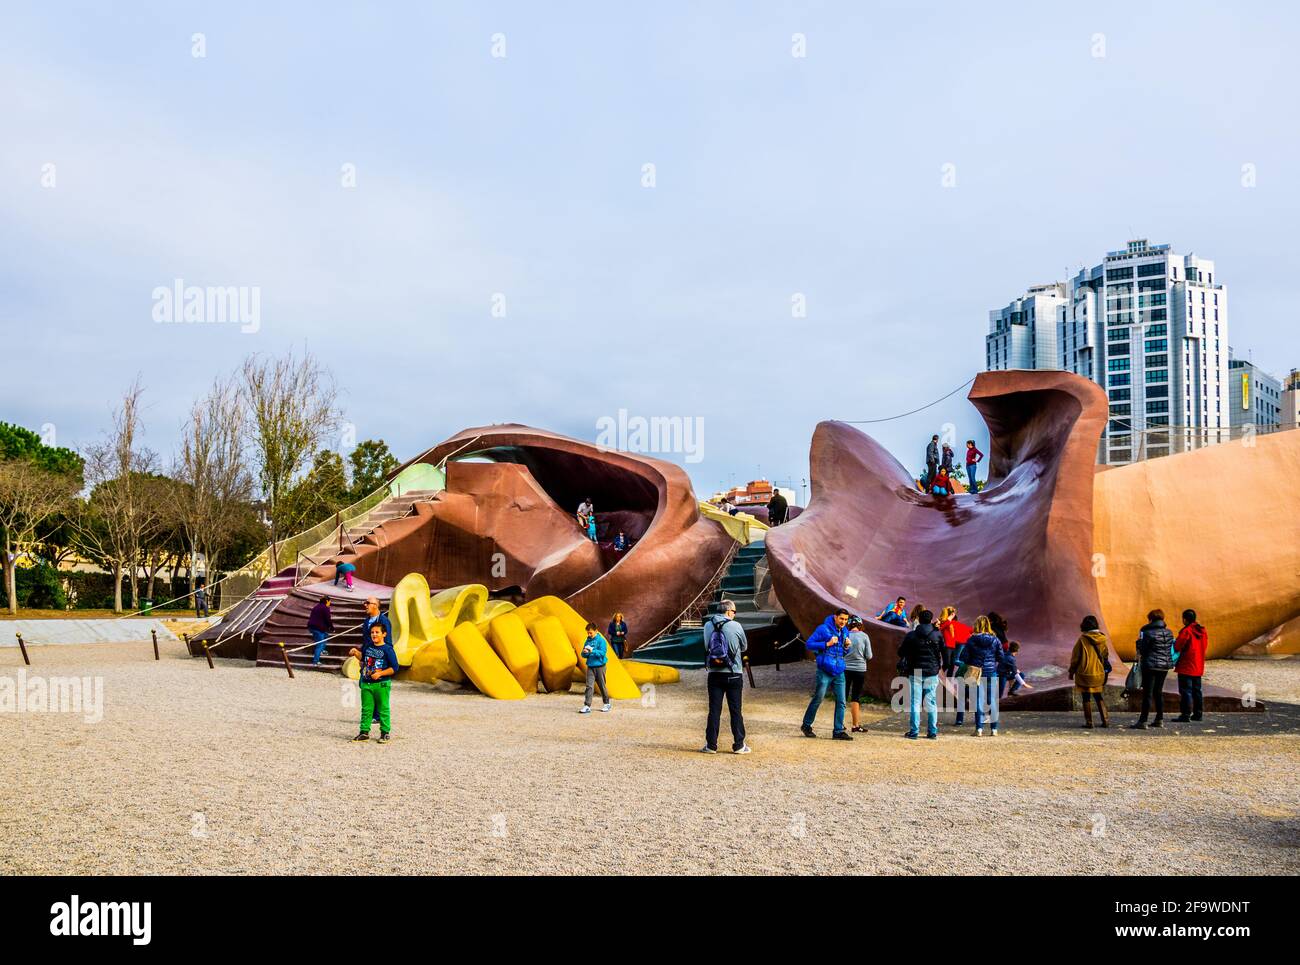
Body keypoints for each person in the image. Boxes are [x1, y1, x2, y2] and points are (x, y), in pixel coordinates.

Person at [701, 599, 749, 754]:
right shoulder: (736, 626)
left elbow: (707, 645)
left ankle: (711, 746)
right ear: (729, 612)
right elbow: (744, 647)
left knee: (714, 710)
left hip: (714, 673)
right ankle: (739, 745)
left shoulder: (708, 625)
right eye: (734, 612)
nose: (734, 614)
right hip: (734, 672)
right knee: (735, 710)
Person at [801, 609, 853, 741]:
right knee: (818, 698)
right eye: (841, 619)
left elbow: (843, 652)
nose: (843, 622)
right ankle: (806, 725)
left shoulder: (845, 631)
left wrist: (847, 646)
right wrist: (827, 644)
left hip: (839, 670)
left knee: (842, 701)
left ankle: (838, 731)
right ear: (835, 617)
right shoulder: (823, 629)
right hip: (824, 669)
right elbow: (809, 644)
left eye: (846, 620)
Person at [898, 608, 945, 739]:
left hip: (915, 670)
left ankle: (914, 732)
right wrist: (942, 666)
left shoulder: (911, 635)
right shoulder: (937, 634)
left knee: (915, 702)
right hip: (932, 671)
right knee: (931, 702)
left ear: (918, 619)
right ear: (931, 620)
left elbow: (901, 652)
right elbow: (944, 651)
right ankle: (932, 732)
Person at [348, 622, 398, 743]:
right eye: (372, 632)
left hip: (381, 684)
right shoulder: (368, 646)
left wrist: (380, 673)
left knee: (383, 709)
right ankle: (364, 732)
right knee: (366, 708)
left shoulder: (388, 649)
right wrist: (355, 653)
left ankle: (385, 732)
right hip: (367, 682)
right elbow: (363, 657)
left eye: (377, 632)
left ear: (384, 634)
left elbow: (394, 667)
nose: (374, 634)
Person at [1131, 608, 1176, 729]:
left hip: (1150, 665)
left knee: (1148, 693)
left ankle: (1143, 721)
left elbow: (1144, 650)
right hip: (1164, 666)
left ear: (1150, 619)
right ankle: (1159, 719)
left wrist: (1139, 643)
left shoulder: (1148, 633)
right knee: (1158, 692)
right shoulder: (1169, 633)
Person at [962, 615, 1004, 736]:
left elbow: (964, 657)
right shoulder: (995, 639)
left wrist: (972, 661)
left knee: (978, 700)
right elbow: (1001, 657)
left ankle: (979, 729)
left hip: (976, 672)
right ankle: (994, 729)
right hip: (991, 672)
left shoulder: (972, 639)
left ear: (976, 625)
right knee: (992, 701)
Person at [1068, 616, 1111, 728]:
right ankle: (1105, 721)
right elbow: (1105, 655)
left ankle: (1089, 722)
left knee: (1086, 697)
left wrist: (1071, 672)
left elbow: (1075, 659)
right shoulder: (1103, 639)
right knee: (1098, 696)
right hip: (1099, 673)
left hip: (1084, 674)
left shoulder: (1082, 640)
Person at [936, 605, 972, 724]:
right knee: (947, 662)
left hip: (951, 645)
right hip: (946, 645)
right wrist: (949, 619)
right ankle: (940, 673)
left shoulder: (951, 622)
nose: (953, 615)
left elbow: (961, 629)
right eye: (951, 613)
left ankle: (949, 680)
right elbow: (942, 627)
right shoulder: (944, 621)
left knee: (951, 664)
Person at [1172, 609, 1208, 722]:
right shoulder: (1202, 631)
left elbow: (1178, 646)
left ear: (1184, 619)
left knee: (1185, 691)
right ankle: (1198, 713)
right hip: (1198, 665)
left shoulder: (1186, 631)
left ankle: (1185, 714)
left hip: (1186, 666)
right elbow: (1205, 646)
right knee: (1197, 690)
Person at [844, 616, 873, 733]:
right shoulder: (864, 636)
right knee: (855, 697)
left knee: (843, 696)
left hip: (845, 668)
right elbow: (869, 655)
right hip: (860, 669)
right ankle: (855, 725)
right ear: (860, 625)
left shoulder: (845, 635)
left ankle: (839, 723)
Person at [579, 623, 611, 714]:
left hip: (600, 666)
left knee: (602, 685)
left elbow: (602, 653)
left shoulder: (601, 640)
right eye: (588, 633)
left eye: (590, 633)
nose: (589, 635)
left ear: (596, 631)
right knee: (589, 686)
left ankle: (607, 703)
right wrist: (585, 652)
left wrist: (592, 651)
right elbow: (583, 654)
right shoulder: (587, 641)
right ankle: (587, 705)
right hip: (590, 666)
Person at [308, 595, 334, 666]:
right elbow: (328, 620)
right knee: (319, 644)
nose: (330, 603)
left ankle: (322, 651)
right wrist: (332, 628)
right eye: (329, 601)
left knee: (325, 635)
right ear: (327, 601)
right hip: (318, 628)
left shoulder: (316, 606)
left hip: (311, 627)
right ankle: (315, 662)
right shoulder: (325, 608)